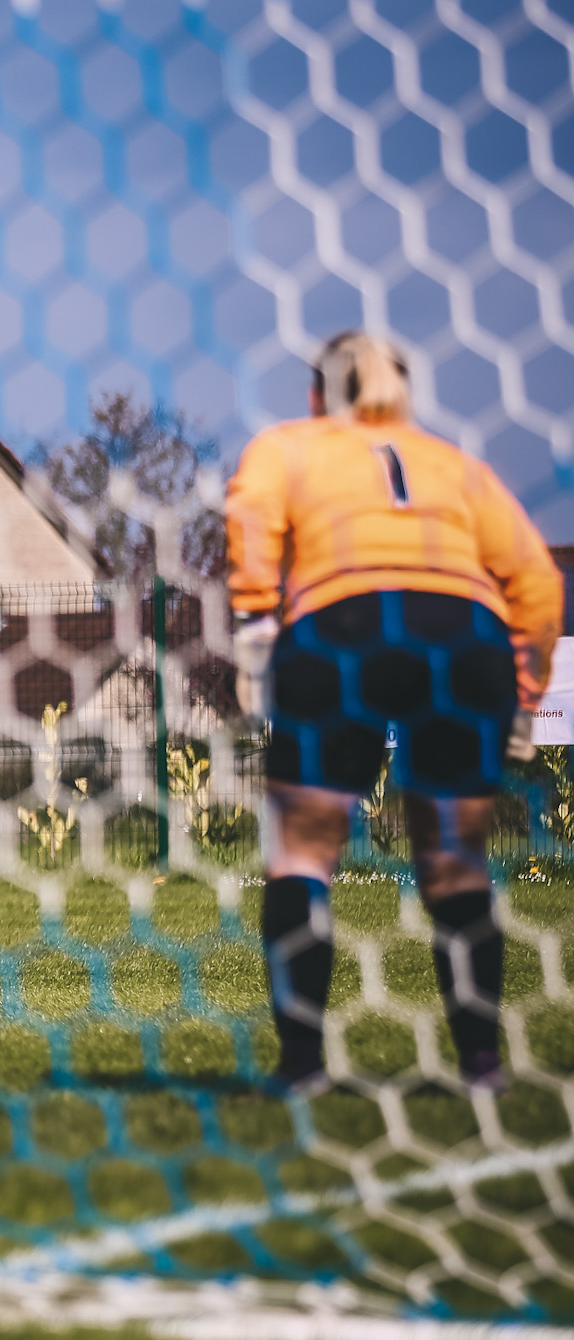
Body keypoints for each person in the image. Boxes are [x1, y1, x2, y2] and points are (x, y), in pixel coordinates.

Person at [226, 330, 562, 1093]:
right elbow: (537, 579)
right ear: (406, 394)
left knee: (303, 853)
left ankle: (304, 1066)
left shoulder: (289, 446)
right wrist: (523, 693)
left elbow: (250, 514)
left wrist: (255, 623)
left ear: (318, 395)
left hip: (339, 627)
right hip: (461, 635)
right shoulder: (456, 466)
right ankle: (480, 1065)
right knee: (452, 861)